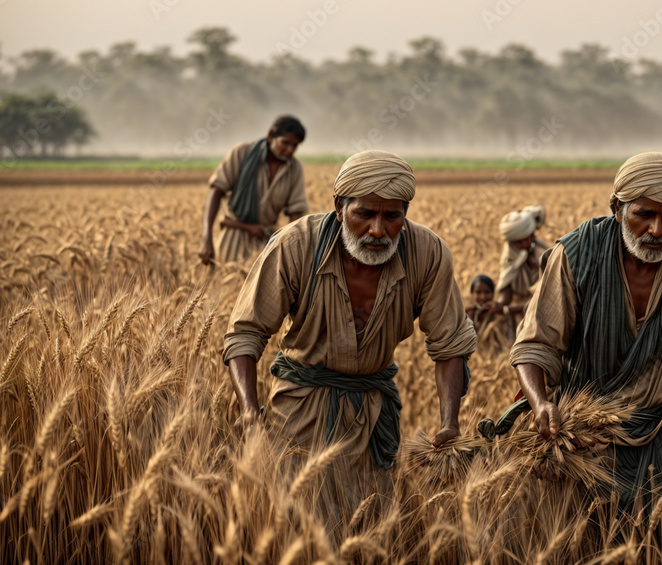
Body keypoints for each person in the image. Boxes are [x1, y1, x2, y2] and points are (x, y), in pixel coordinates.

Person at [484, 152, 662, 506]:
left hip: (661, 432)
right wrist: (542, 403)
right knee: (583, 540)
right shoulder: (577, 254)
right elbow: (535, 345)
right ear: (618, 209)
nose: (657, 230)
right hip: (582, 433)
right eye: (644, 215)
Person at [222, 149, 477, 476]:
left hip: (373, 415)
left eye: (392, 217)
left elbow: (450, 345)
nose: (377, 230)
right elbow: (245, 333)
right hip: (299, 410)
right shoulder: (296, 246)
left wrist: (449, 422)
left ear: (406, 213)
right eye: (365, 214)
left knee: (372, 516)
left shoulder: (427, 253)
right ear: (339, 209)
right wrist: (248, 412)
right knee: (296, 512)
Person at [198, 115, 308, 265]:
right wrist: (206, 239)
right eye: (285, 143)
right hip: (232, 240)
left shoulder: (294, 169)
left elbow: (296, 214)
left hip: (265, 242)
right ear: (271, 136)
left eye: (295, 146)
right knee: (229, 283)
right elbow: (216, 191)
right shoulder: (242, 153)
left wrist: (293, 252)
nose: (290, 150)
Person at [493, 205, 549, 320]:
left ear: (532, 236)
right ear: (511, 243)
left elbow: (546, 298)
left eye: (527, 239)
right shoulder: (509, 260)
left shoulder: (544, 255)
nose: (525, 244)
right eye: (519, 242)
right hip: (521, 317)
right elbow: (505, 293)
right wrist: (498, 304)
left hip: (546, 314)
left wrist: (508, 310)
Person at [465, 274, 515, 354]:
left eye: (487, 292)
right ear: (472, 294)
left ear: (493, 293)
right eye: (478, 292)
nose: (483, 297)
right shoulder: (467, 314)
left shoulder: (500, 315)